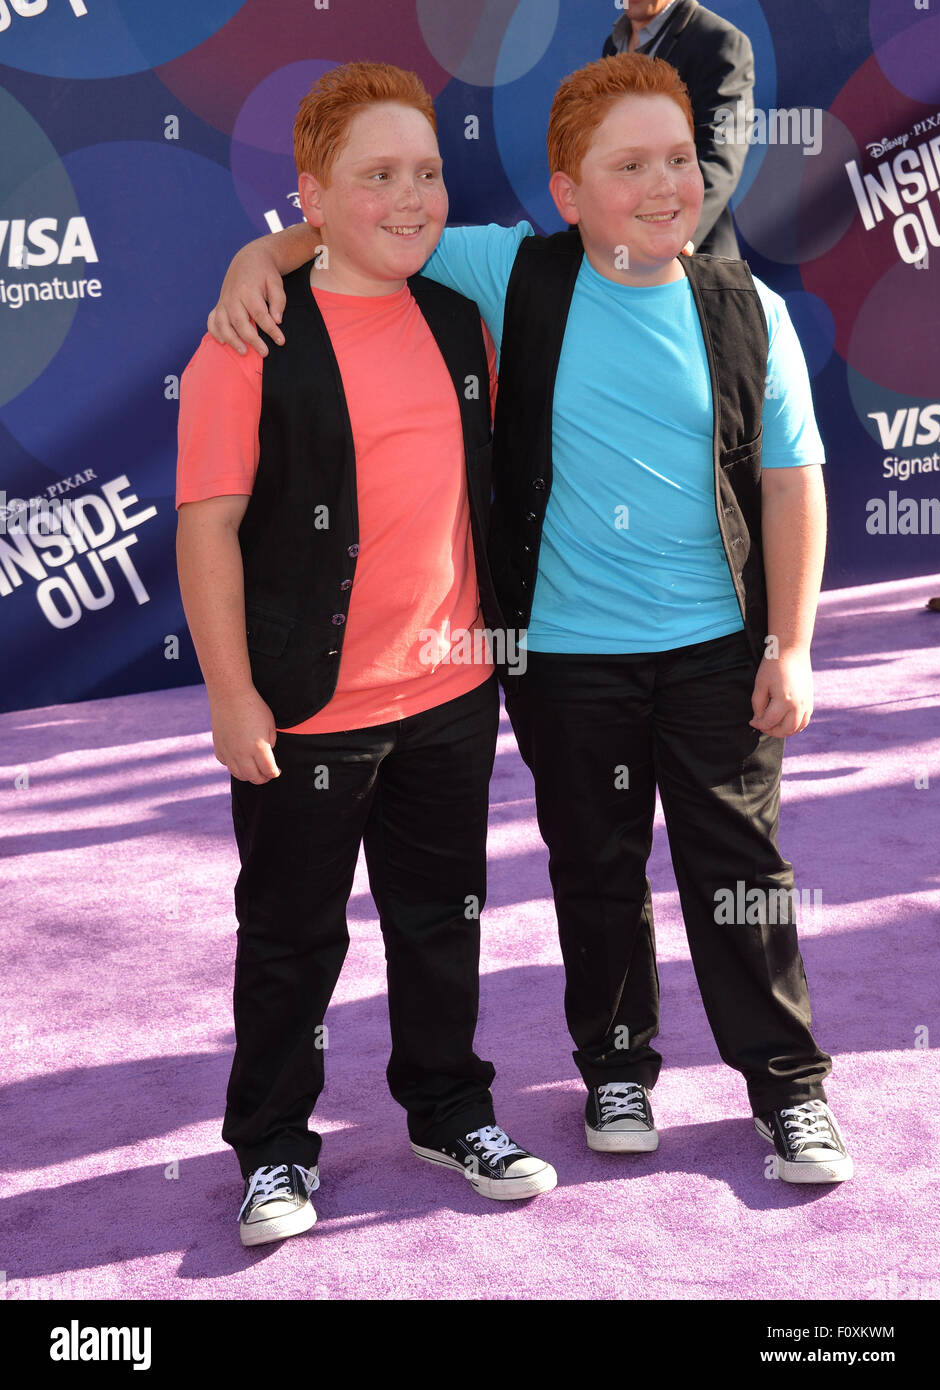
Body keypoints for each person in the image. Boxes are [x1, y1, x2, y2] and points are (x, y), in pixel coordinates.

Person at [207, 53, 852, 1185]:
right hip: (559, 660)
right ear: (566, 192)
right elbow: (365, 230)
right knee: (593, 868)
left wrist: (790, 644)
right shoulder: (509, 272)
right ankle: (613, 1065)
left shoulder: (749, 308)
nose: (665, 186)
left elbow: (793, 482)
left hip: (718, 654)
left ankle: (788, 1088)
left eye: (679, 160)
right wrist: (259, 252)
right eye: (629, 165)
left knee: (739, 871)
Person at [176, 60, 556, 1247]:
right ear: (311, 196)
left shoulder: (461, 320)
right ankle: (274, 1149)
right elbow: (209, 528)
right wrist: (234, 695)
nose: (411, 197)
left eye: (428, 172)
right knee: (291, 940)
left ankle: (450, 1109)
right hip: (309, 708)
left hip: (451, 690)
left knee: (441, 919)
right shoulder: (251, 335)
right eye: (377, 176)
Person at [604, 0, 753, 255]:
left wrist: (675, 232)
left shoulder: (719, 41)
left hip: (688, 261)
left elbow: (719, 152)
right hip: (623, 251)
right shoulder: (614, 45)